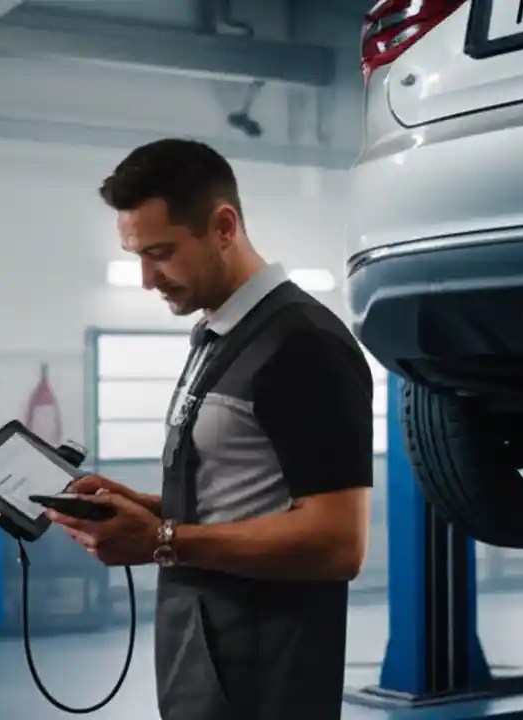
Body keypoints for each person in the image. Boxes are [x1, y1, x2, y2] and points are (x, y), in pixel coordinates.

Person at [47, 138, 374, 719]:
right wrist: (146, 509)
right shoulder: (220, 335)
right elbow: (241, 495)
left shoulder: (303, 345)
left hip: (266, 674)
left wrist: (162, 540)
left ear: (223, 226)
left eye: (161, 252)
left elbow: (338, 541)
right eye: (137, 257)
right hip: (204, 656)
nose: (148, 278)